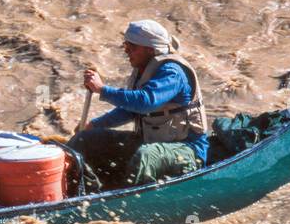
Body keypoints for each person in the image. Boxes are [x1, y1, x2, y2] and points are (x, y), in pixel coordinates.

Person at [68, 20, 209, 189]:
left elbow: (145, 102)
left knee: (145, 156)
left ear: (150, 49)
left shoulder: (172, 72)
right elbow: (130, 110)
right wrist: (94, 125)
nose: (127, 51)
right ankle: (70, 187)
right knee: (85, 139)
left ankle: (121, 202)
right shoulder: (143, 69)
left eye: (132, 47)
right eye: (125, 46)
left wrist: (102, 90)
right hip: (150, 141)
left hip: (187, 150)